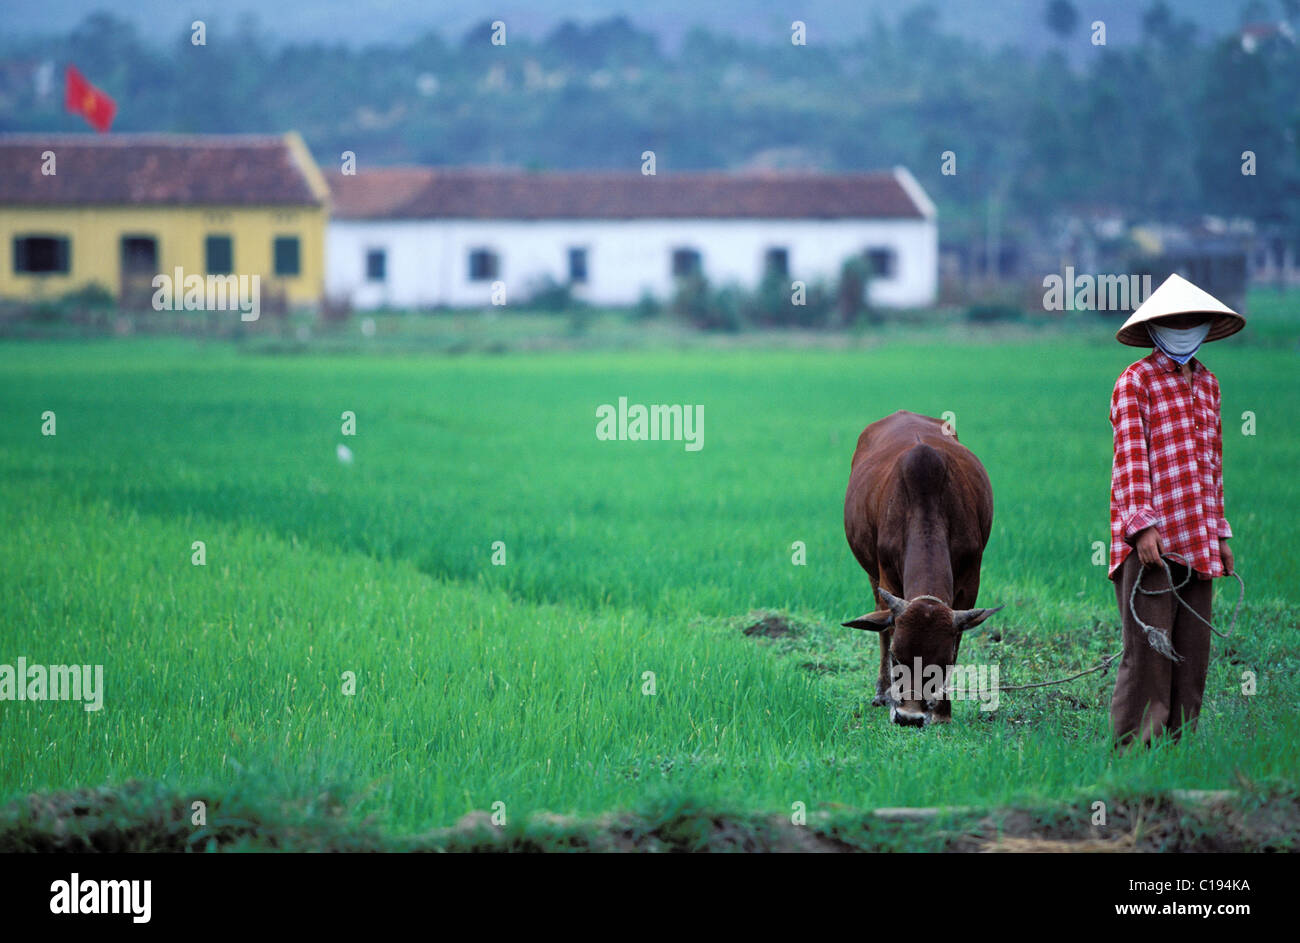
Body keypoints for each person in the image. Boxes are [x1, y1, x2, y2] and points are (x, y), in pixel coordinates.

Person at [1107, 273, 1245, 748]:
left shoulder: (1208, 384)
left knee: (1192, 652)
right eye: (1175, 320)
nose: (1184, 327)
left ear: (1206, 326)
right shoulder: (1135, 382)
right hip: (1151, 543)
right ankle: (1133, 752)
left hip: (1199, 538)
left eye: (1193, 320)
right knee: (1148, 651)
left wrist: (1221, 535)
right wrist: (1141, 527)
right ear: (1157, 327)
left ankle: (1177, 747)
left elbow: (1213, 464)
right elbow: (1130, 459)